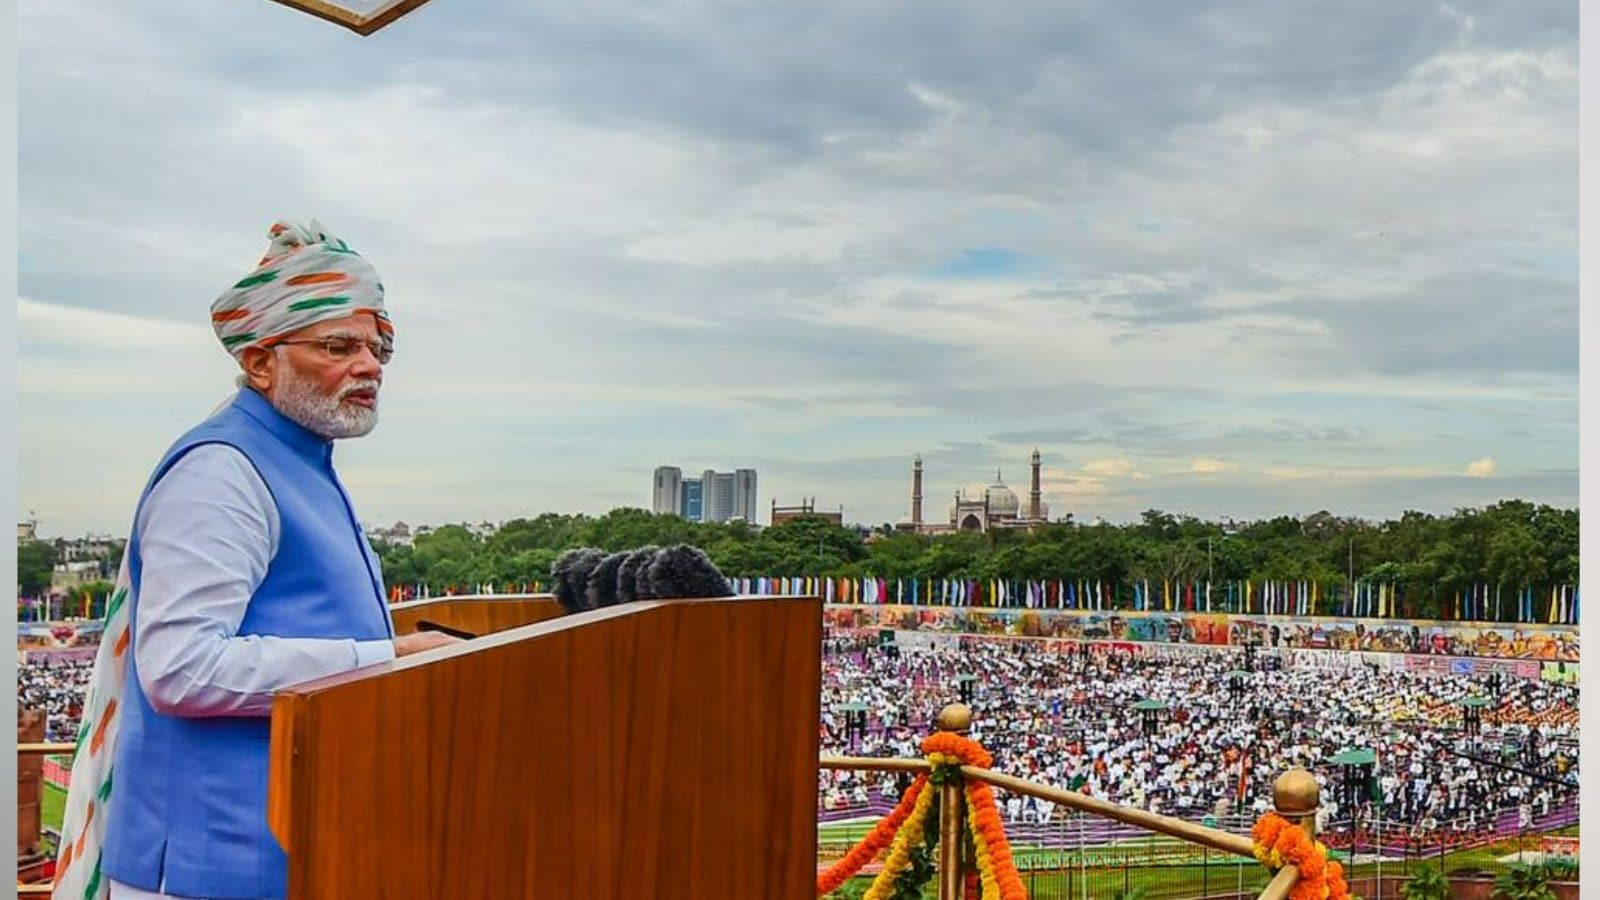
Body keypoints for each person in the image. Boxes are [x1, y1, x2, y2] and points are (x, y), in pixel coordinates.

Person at [54, 220, 462, 900]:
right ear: (261, 361)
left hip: (279, 854)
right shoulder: (222, 472)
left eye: (379, 346)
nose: (370, 365)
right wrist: (388, 660)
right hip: (210, 868)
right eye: (340, 345)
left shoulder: (298, 461)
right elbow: (182, 667)